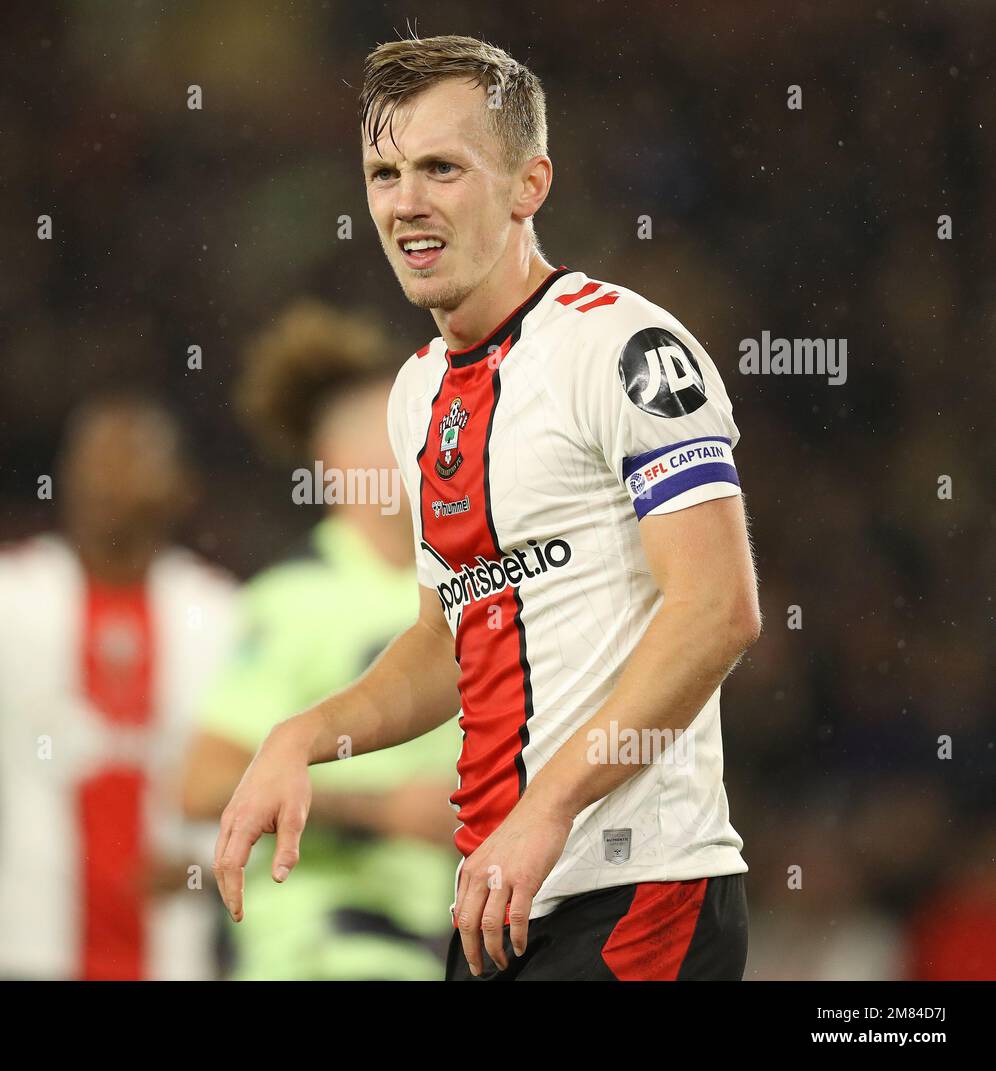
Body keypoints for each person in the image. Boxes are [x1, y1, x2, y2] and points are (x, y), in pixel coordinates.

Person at [213, 35, 762, 981]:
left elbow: (719, 608)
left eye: (441, 168)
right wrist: (301, 734)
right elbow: (444, 641)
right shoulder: (417, 393)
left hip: (641, 892)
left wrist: (547, 808)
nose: (406, 202)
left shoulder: (625, 349)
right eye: (384, 172)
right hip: (497, 900)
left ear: (528, 185)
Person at [0, 396, 237, 980]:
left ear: (182, 486)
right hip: (24, 949)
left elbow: (261, 772)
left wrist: (206, 860)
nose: (107, 477)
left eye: (132, 458)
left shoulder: (222, 616)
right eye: (92, 459)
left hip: (173, 958)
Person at [182, 300, 461, 980]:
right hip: (320, 949)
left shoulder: (462, 587)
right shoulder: (292, 601)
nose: (424, 444)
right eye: (397, 430)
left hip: (442, 946)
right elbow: (203, 783)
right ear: (339, 461)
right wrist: (380, 813)